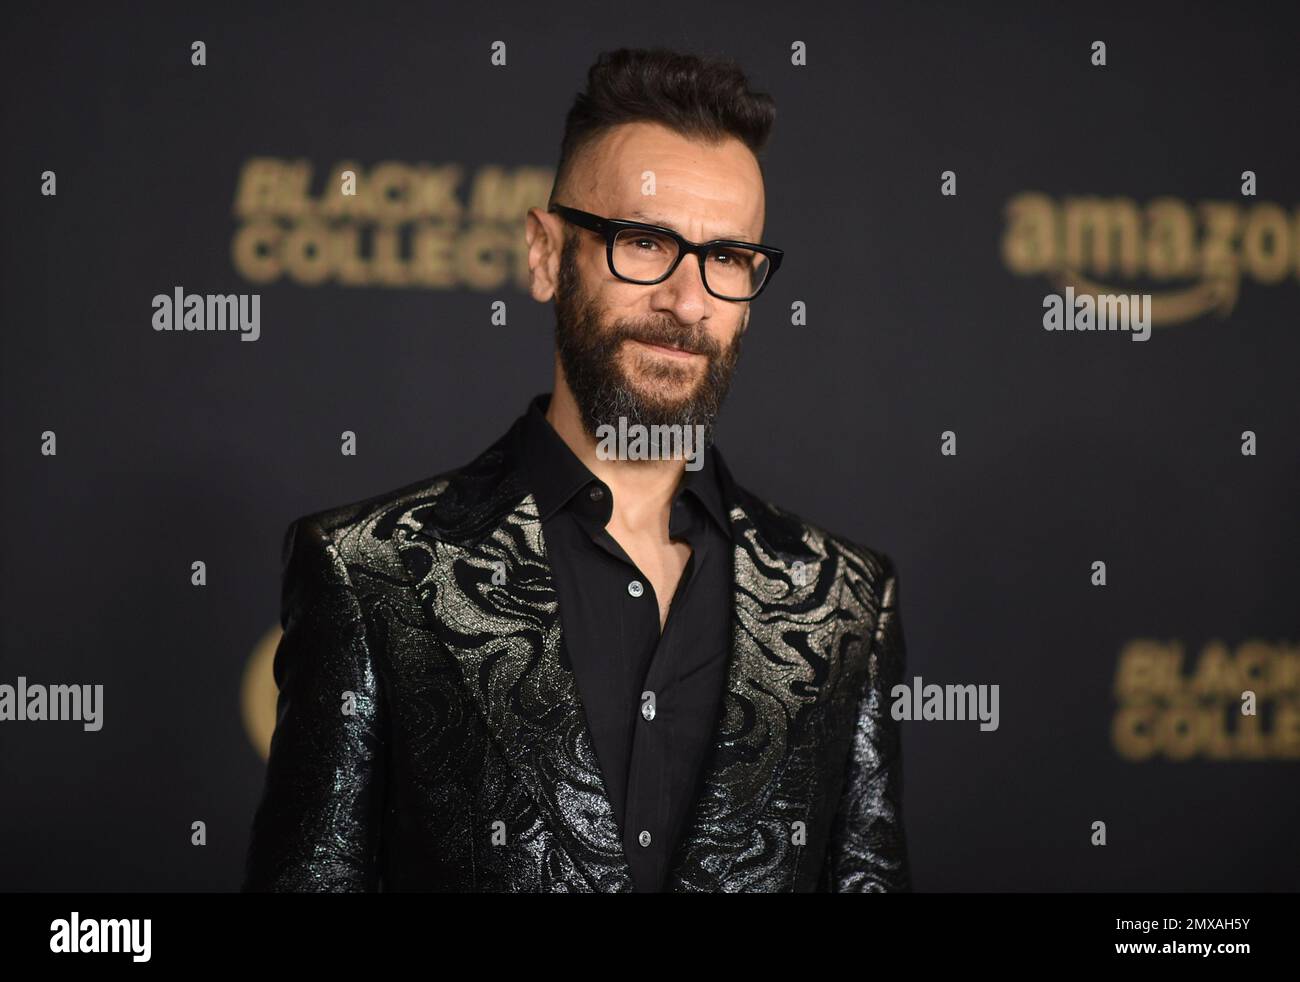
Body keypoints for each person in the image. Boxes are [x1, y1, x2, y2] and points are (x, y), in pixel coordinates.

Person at [242, 46, 910, 892]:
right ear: (546, 253)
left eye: (729, 258)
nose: (687, 300)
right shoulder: (371, 572)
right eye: (643, 242)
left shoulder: (844, 602)